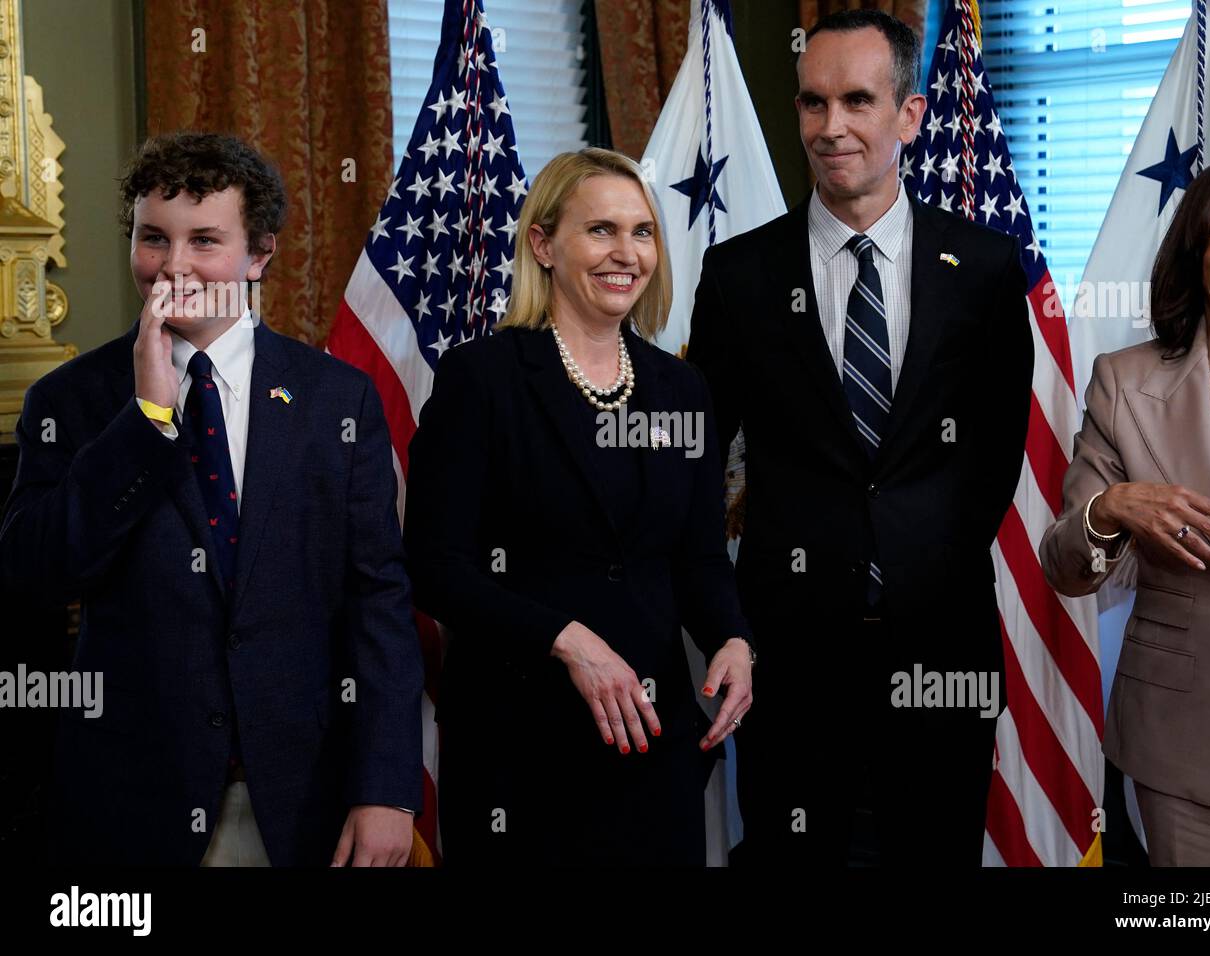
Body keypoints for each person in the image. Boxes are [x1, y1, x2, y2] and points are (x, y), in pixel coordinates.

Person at [0, 132, 423, 866]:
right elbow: (35, 573)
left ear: (258, 255)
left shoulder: (335, 401)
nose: (174, 267)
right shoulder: (67, 400)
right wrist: (146, 423)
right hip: (130, 804)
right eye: (153, 239)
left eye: (204, 240)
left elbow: (377, 601)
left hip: (302, 798)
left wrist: (386, 786)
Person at [687, 9, 1033, 865]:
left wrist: (922, 568)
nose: (830, 127)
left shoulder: (985, 269)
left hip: (941, 652)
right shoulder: (738, 276)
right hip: (790, 656)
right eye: (811, 103)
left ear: (909, 115)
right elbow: (697, 466)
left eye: (856, 101)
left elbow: (992, 459)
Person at [404, 147, 753, 866]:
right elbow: (435, 565)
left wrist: (734, 638)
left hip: (651, 746)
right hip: (518, 746)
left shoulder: (681, 390)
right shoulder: (483, 378)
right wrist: (567, 639)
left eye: (643, 231)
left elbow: (697, 558)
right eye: (600, 230)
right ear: (543, 244)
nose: (626, 253)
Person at [1041, 156, 1210, 866]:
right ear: (1197, 252)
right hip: (1186, 726)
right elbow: (1065, 564)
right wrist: (1113, 507)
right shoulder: (1124, 384)